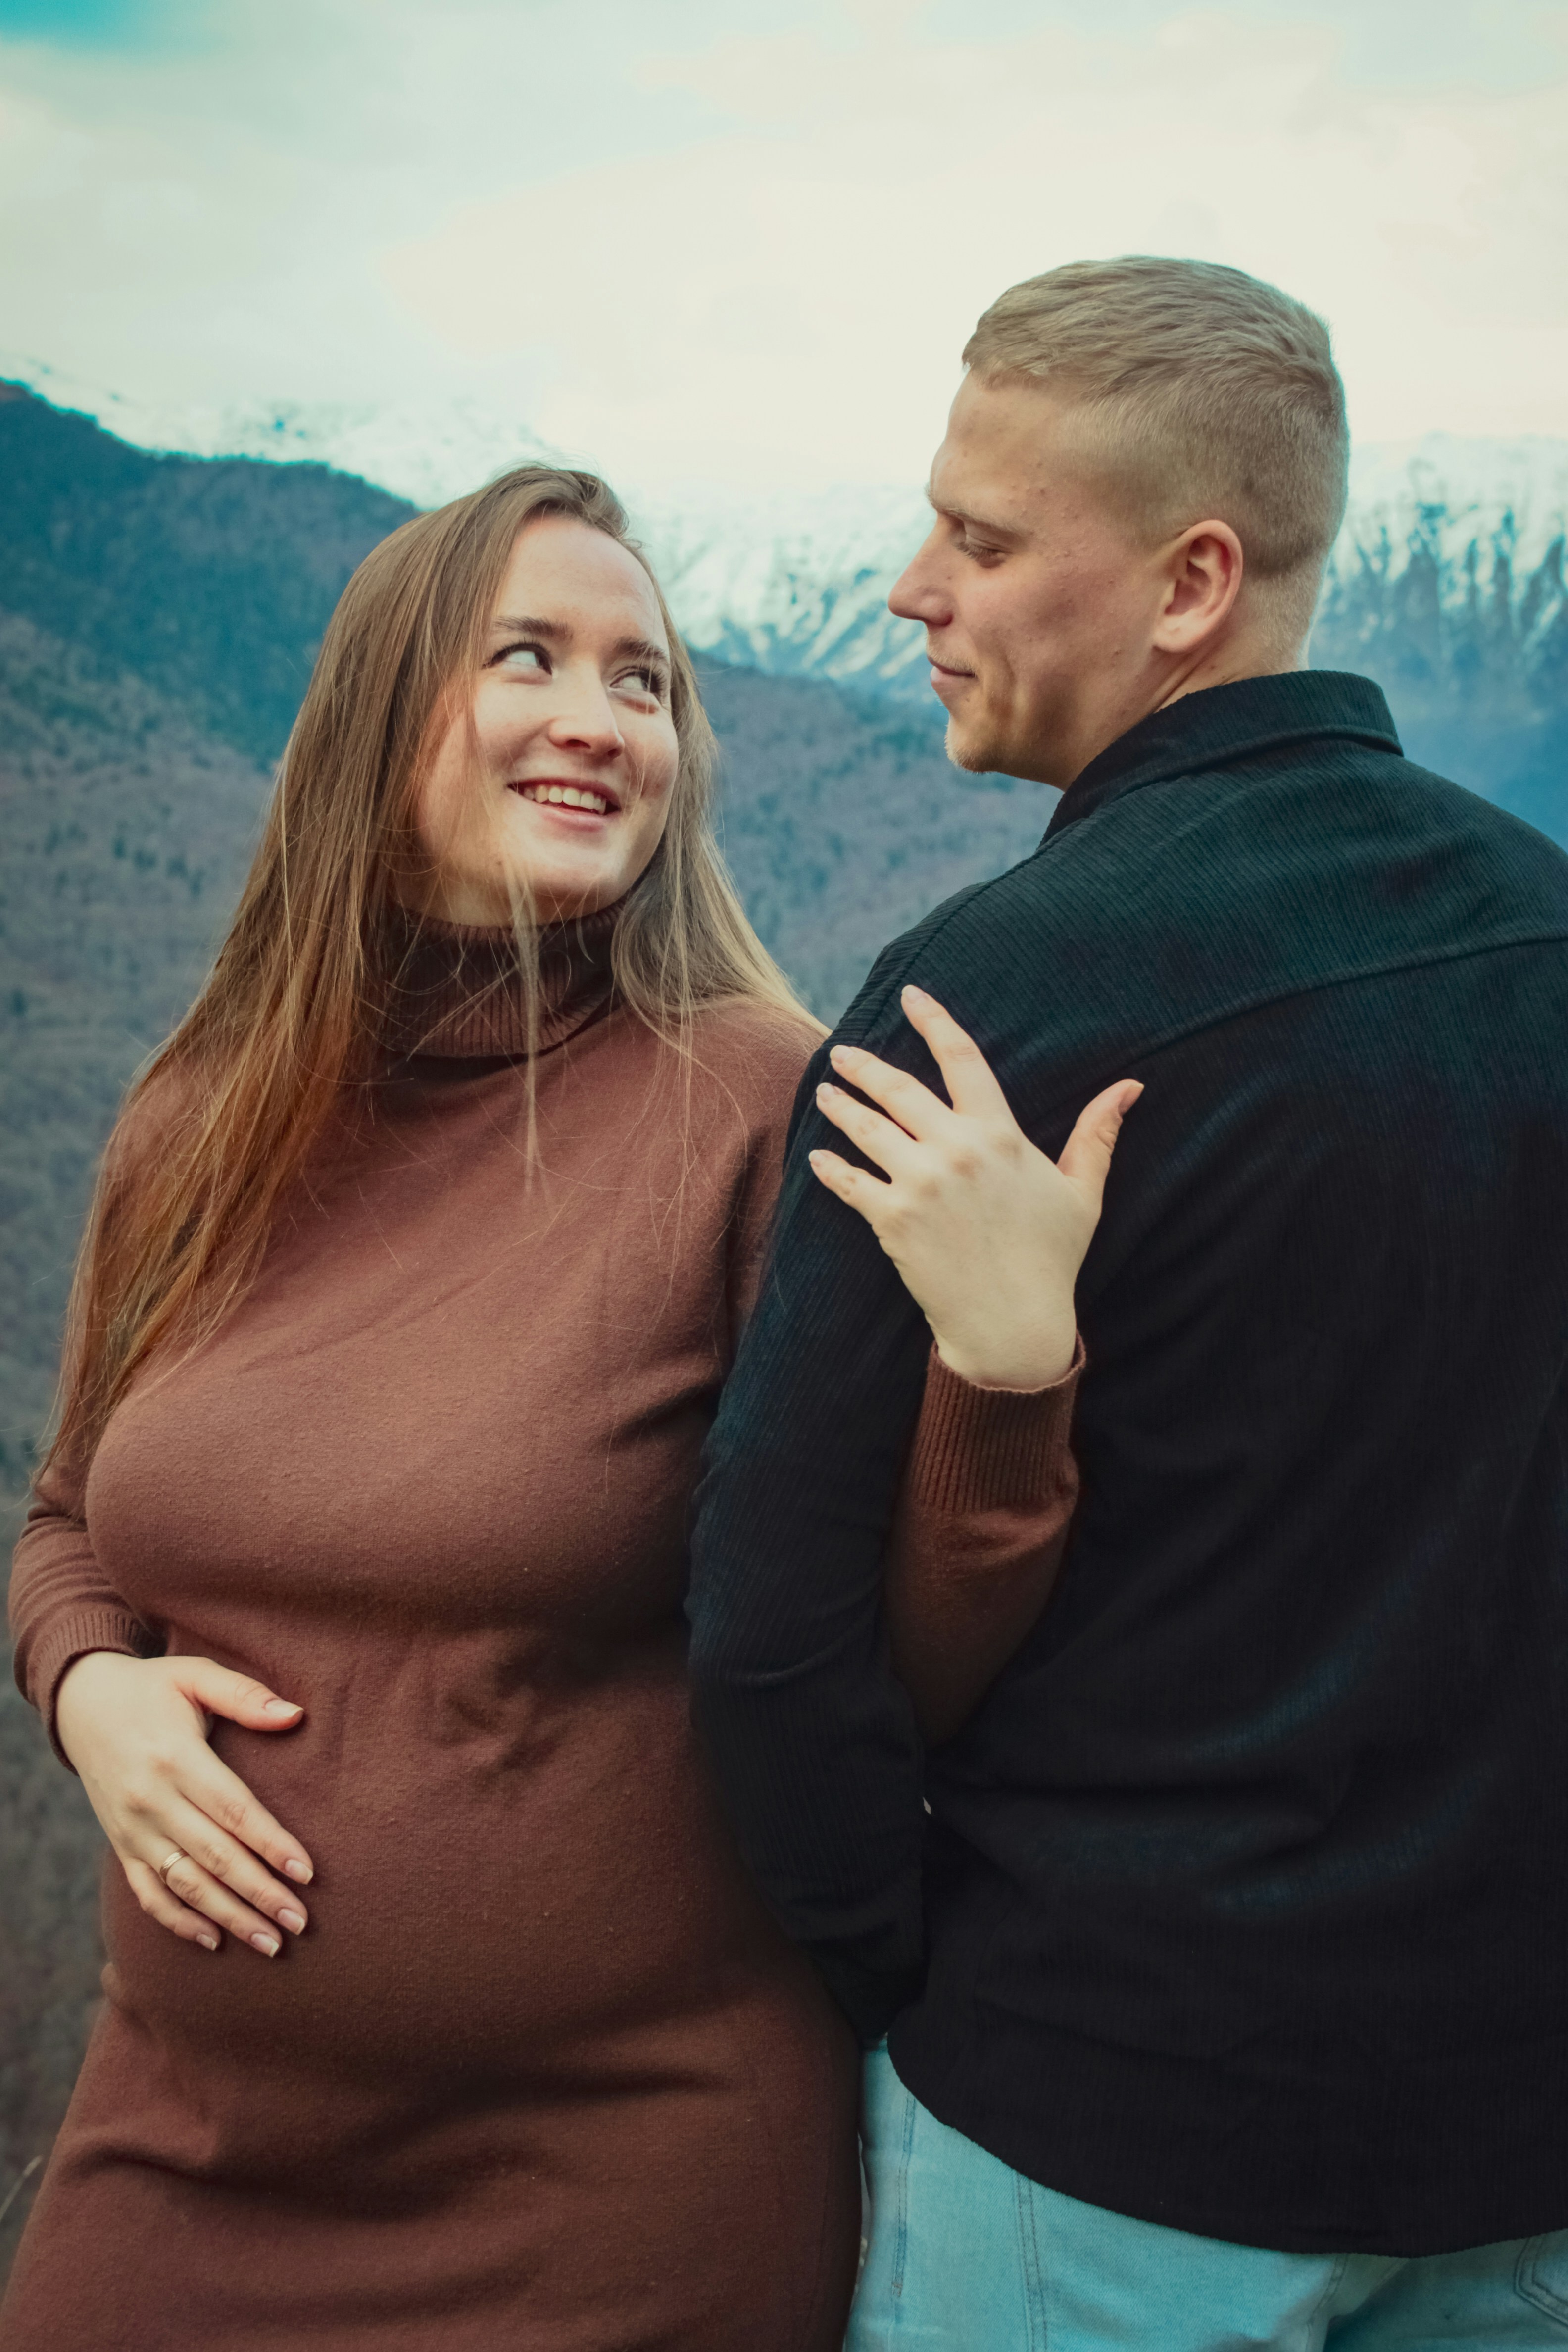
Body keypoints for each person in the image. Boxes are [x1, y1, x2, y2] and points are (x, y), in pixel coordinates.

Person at [2, 465, 1136, 2349]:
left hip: (605, 2184)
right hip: (178, 2156)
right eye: (530, 656)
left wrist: (1011, 1377)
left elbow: (902, 1663)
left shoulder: (760, 1108)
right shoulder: (205, 1113)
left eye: (646, 680)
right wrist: (84, 1684)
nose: (601, 720)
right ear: (387, 709)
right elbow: (67, 1516)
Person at [687, 256, 1568, 2349]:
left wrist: (937, 1985)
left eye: (981, 540)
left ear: (1190, 582)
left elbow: (772, 1638)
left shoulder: (981, 1019)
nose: (916, 586)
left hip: (1107, 2140)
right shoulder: (1548, 942)